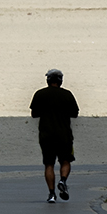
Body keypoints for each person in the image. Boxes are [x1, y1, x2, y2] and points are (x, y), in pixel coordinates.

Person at [29, 69, 79, 204]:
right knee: (65, 161)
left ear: (48, 80)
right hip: (64, 135)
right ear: (61, 81)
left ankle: (51, 194)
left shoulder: (40, 94)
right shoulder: (67, 94)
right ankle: (63, 180)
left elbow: (34, 114)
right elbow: (75, 114)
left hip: (46, 135)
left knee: (49, 164)